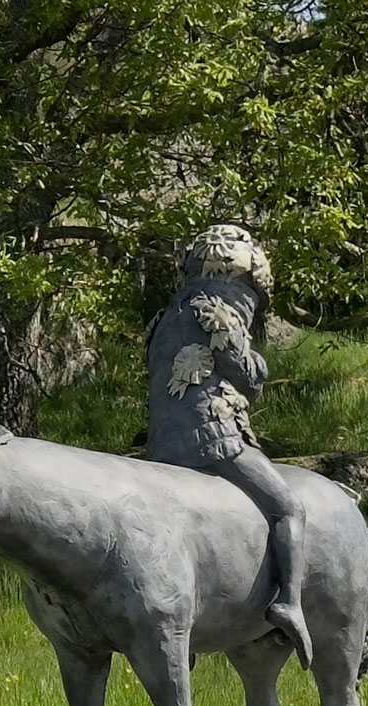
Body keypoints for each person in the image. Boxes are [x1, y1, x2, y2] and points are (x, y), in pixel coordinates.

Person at [145, 224, 311, 664]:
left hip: (162, 448)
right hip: (216, 437)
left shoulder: (164, 317)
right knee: (287, 508)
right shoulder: (219, 313)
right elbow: (248, 378)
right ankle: (290, 602)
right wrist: (259, 363)